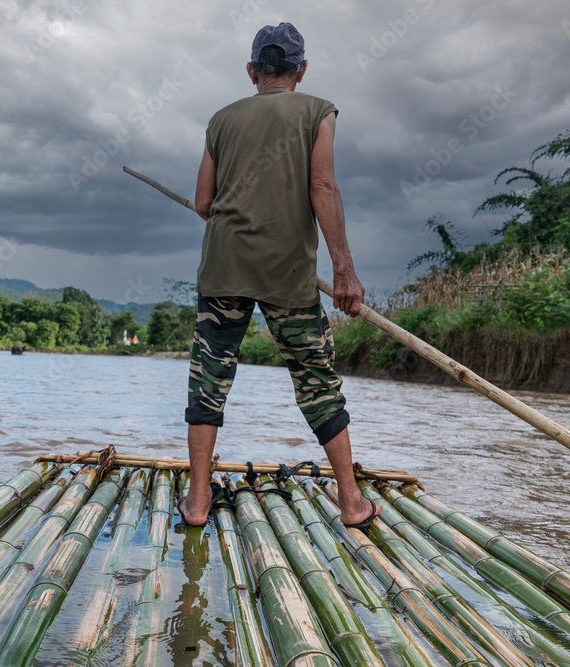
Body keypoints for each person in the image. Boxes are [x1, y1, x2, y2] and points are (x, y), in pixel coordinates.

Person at [177, 22, 381, 530]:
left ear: (252, 71)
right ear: (301, 70)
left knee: (209, 382)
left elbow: (203, 202)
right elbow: (323, 187)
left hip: (224, 268)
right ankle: (353, 503)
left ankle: (198, 502)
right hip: (288, 271)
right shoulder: (318, 111)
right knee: (317, 382)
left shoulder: (221, 119)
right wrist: (344, 271)